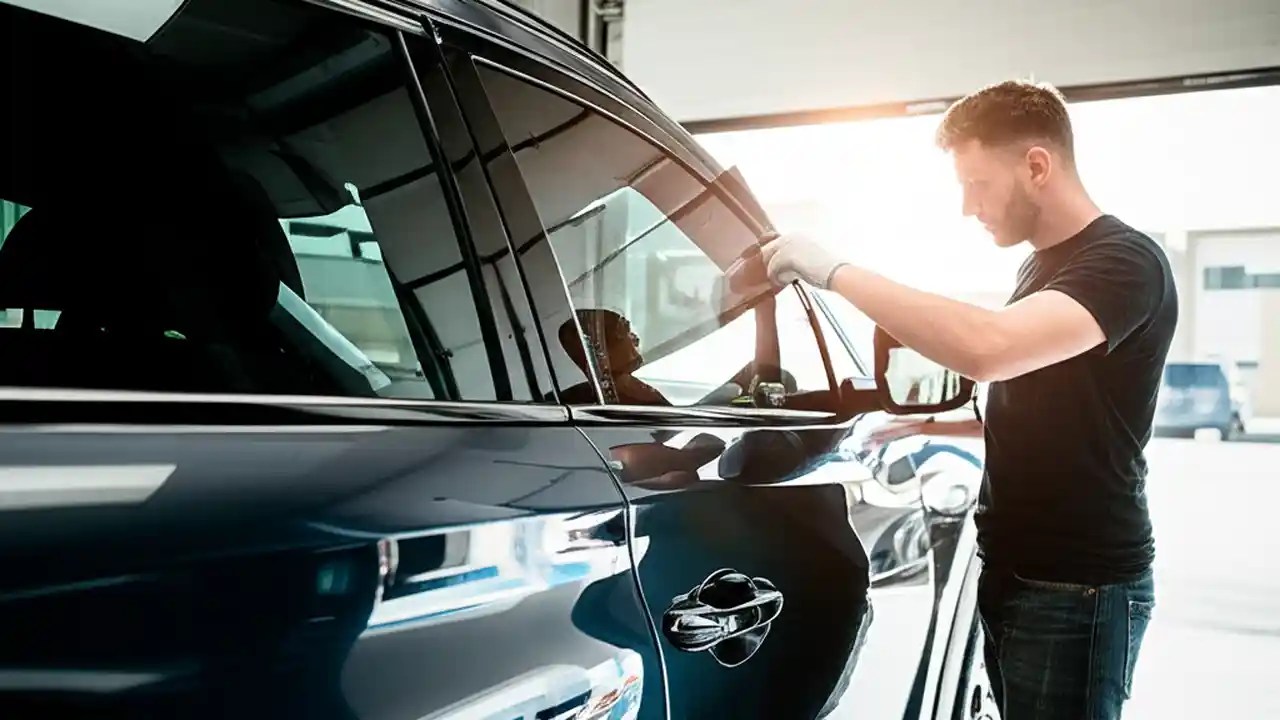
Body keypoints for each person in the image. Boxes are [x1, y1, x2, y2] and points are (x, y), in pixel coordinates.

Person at [761, 80, 1176, 719]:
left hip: (1079, 585)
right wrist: (924, 422)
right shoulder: (1042, 266)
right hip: (1020, 570)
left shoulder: (1123, 263)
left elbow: (989, 347)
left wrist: (833, 271)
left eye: (976, 184)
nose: (966, 207)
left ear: (1036, 165)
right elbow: (1055, 414)